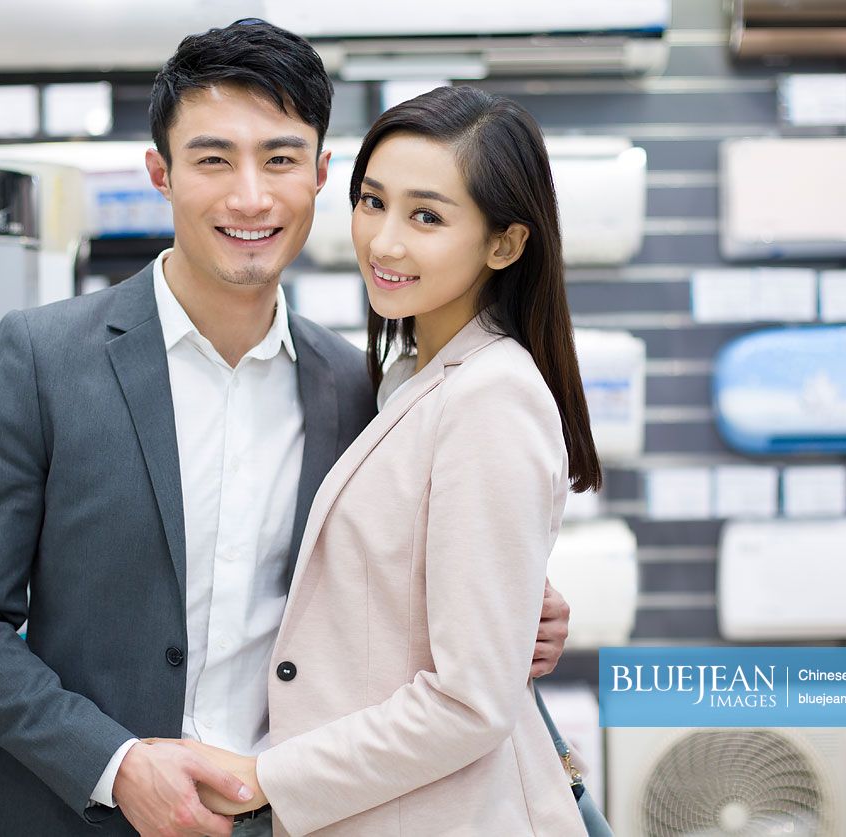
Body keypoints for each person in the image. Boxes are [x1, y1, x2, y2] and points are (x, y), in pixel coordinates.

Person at [0, 20, 572, 837]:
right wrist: (117, 766)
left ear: (320, 174)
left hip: (288, 814)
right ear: (160, 171)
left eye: (281, 159)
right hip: (74, 812)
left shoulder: (353, 388)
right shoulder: (43, 358)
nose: (250, 196)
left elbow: (402, 588)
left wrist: (513, 617)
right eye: (213, 158)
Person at [173, 84, 603, 835]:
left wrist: (266, 775)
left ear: (503, 244)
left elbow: (469, 702)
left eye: (426, 216)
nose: (384, 241)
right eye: (372, 202)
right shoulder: (408, 374)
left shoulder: (490, 395)